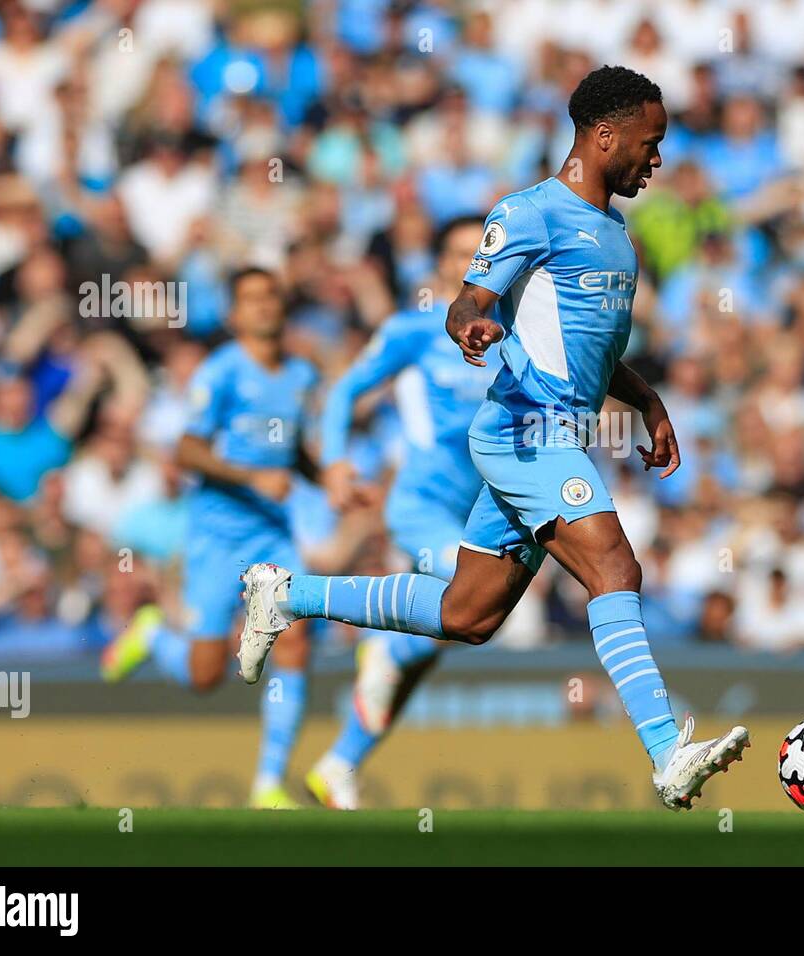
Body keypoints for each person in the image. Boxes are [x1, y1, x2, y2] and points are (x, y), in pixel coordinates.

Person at [240, 66, 748, 810]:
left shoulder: (614, 234)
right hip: (524, 430)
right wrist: (469, 322)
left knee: (466, 615)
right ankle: (668, 753)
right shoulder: (531, 213)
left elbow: (594, 352)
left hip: (557, 434)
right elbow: (468, 299)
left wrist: (645, 399)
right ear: (604, 136)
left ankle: (285, 595)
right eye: (650, 141)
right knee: (614, 568)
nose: (657, 158)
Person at [100, 268, 320, 809]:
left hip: (272, 534)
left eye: (271, 296)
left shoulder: (299, 375)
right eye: (251, 300)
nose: (264, 307)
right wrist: (251, 478)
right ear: (233, 315)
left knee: (292, 639)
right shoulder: (219, 373)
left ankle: (268, 783)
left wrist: (331, 480)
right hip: (217, 537)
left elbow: (290, 450)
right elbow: (187, 450)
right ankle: (153, 635)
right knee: (205, 675)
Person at [305, 216, 502, 809]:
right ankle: (380, 647)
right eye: (461, 254)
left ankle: (340, 763)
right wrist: (336, 462)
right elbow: (343, 391)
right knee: (466, 599)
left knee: (445, 637)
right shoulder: (414, 332)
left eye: (483, 255)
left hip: (485, 513)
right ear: (441, 264)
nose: (473, 266)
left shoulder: (513, 334)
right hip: (419, 506)